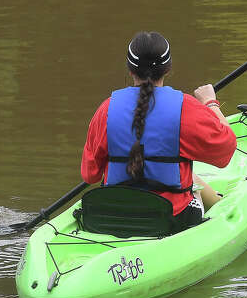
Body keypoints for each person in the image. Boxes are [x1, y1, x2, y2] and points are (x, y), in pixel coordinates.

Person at [80, 31, 236, 232]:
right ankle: (219, 204)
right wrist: (210, 102)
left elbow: (89, 175)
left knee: (183, 174)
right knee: (190, 182)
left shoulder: (105, 110)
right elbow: (226, 151)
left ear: (130, 71)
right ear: (168, 70)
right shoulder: (185, 108)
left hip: (112, 217)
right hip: (169, 221)